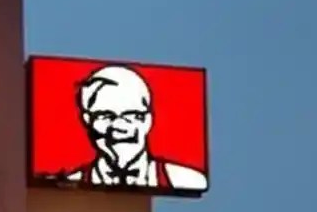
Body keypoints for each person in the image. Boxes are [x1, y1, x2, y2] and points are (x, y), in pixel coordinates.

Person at [60, 65, 208, 191]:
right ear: (87, 121)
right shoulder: (70, 183)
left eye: (131, 115)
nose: (119, 127)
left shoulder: (187, 181)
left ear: (148, 120)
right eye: (106, 116)